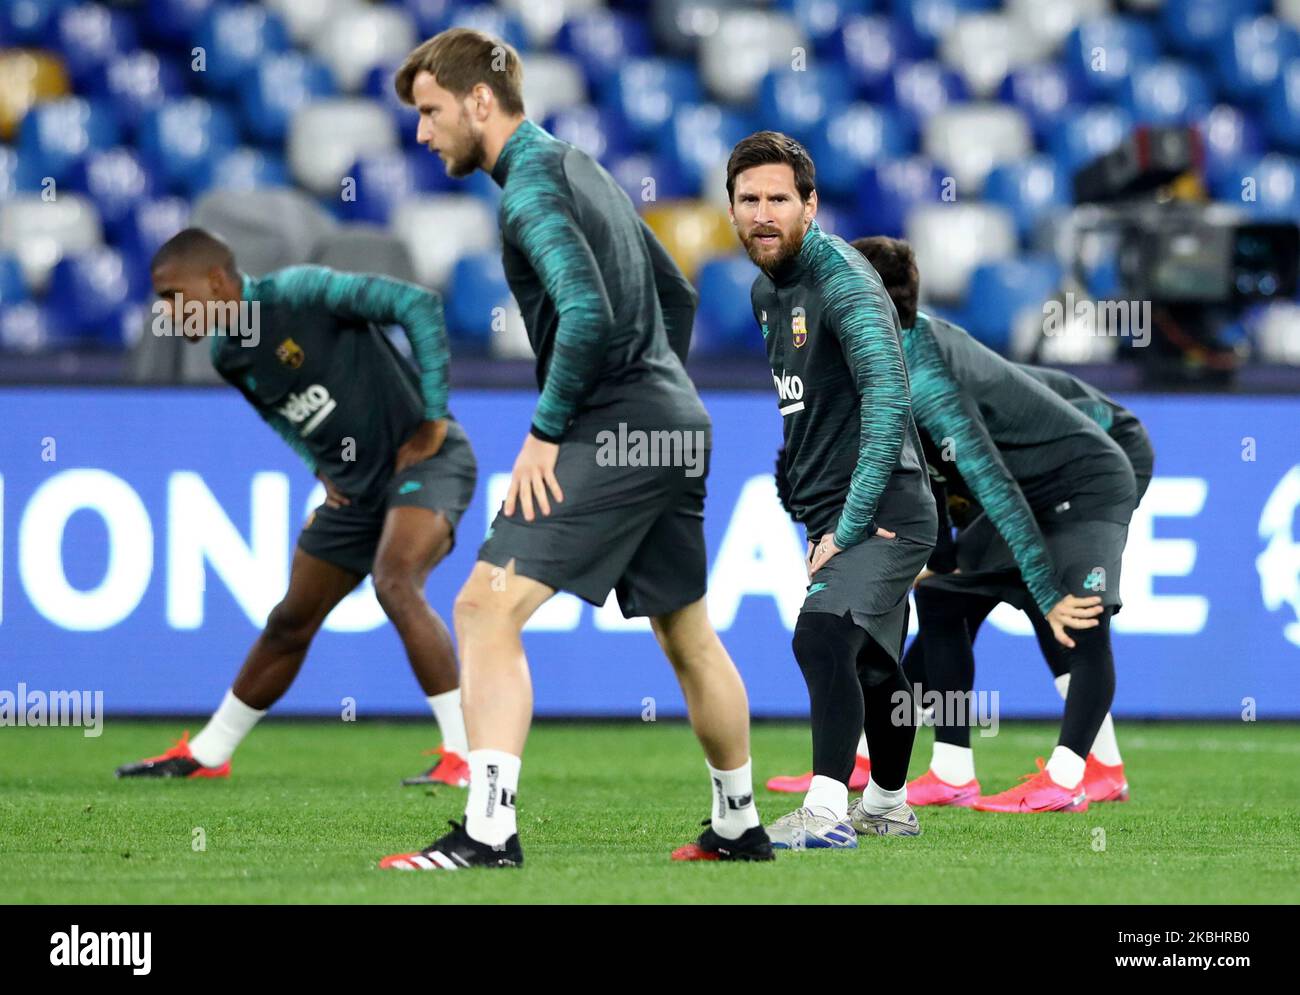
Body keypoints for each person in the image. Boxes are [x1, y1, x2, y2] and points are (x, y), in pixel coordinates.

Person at [380, 29, 773, 871]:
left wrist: (551, 430)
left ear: (479, 101)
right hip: (672, 419)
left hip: (618, 422)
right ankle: (739, 822)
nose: (422, 133)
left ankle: (487, 832)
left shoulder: (527, 190)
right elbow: (675, 287)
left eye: (429, 111)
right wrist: (661, 384)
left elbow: (588, 314)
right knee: (688, 634)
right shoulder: (579, 164)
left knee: (485, 607)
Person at [116, 228, 476, 788]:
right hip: (356, 491)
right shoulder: (229, 353)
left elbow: (417, 304)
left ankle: (465, 755)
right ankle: (209, 752)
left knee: (395, 580)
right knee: (289, 620)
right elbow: (282, 416)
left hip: (424, 463)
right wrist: (319, 466)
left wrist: (433, 418)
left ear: (215, 281)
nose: (167, 311)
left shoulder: (300, 292)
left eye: (173, 295)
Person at [853, 235, 1137, 813]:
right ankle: (951, 770)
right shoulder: (899, 347)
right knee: (942, 599)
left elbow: (993, 487)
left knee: (1075, 613)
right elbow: (940, 473)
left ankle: (1074, 774)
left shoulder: (926, 380)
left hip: (1089, 476)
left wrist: (1048, 588)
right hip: (1034, 479)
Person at [728, 132, 936, 849]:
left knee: (821, 635)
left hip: (883, 508)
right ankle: (887, 801)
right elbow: (808, 404)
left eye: (778, 199)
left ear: (810, 205)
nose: (762, 213)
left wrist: (846, 525)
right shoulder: (765, 290)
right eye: (748, 199)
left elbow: (887, 398)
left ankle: (824, 811)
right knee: (874, 660)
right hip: (834, 507)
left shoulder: (845, 281)